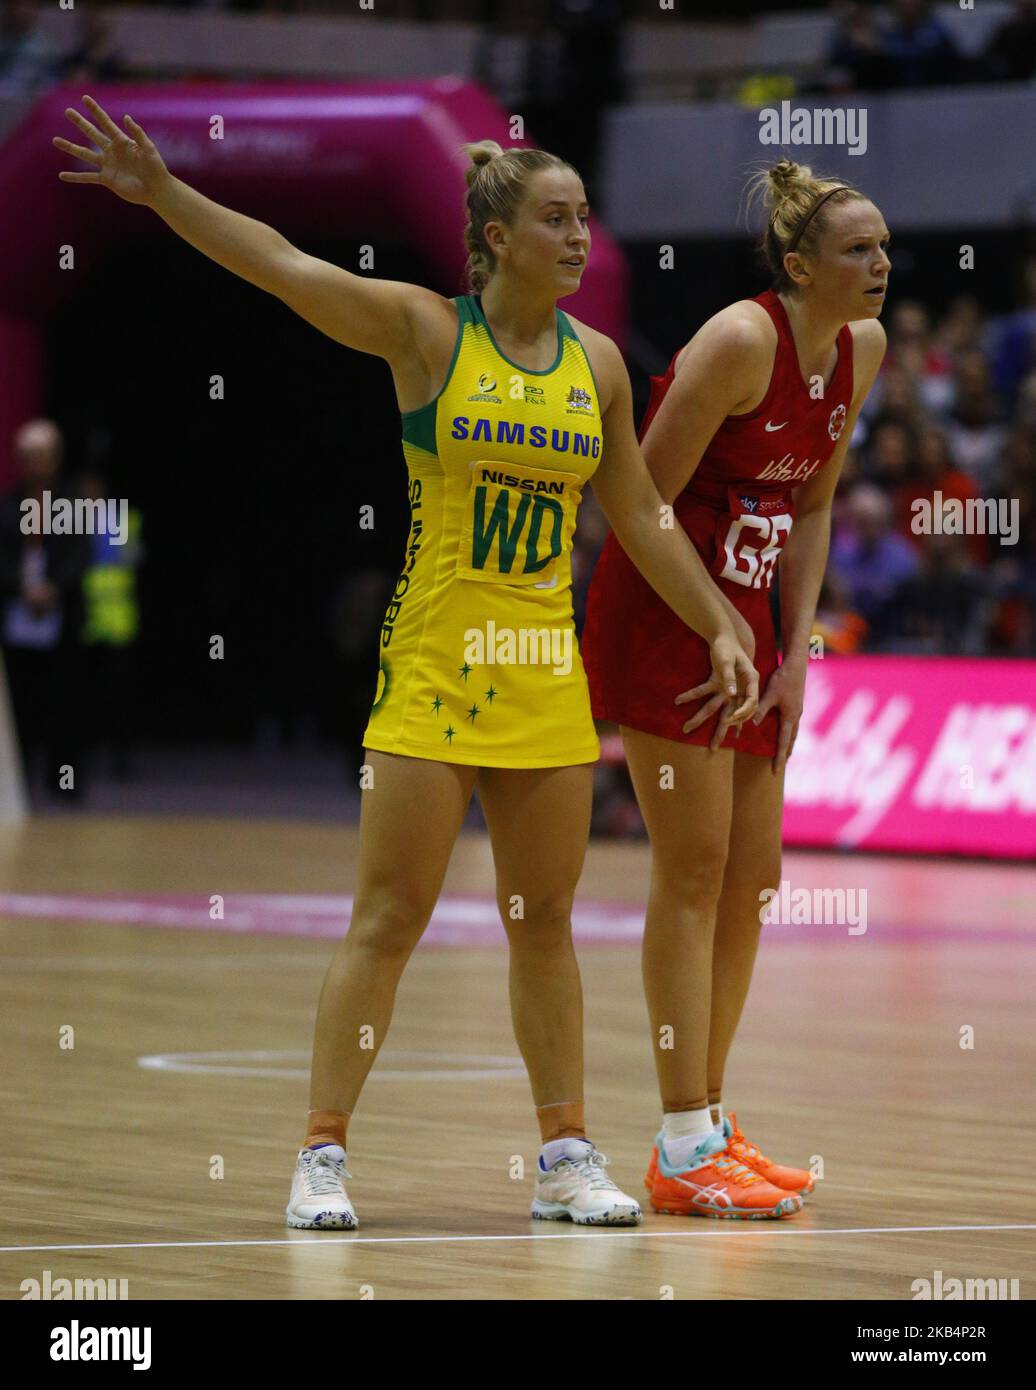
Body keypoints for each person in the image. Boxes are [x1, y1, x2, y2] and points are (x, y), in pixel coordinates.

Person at [53, 96, 757, 1229]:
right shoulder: (429, 332)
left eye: (586, 219)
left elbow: (638, 511)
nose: (580, 238)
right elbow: (283, 266)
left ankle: (565, 1155)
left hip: (543, 670)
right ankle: (321, 1154)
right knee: (388, 916)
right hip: (433, 662)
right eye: (557, 219)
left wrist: (721, 619)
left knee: (545, 923)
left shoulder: (600, 366)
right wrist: (165, 193)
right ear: (494, 239)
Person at [582, 159, 888, 1218]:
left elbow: (809, 511)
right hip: (666, 612)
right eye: (857, 250)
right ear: (799, 266)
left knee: (755, 878)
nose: (881, 263)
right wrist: (714, 624)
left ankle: (704, 1124)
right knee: (696, 869)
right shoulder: (738, 340)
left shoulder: (865, 347)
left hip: (747, 620)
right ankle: (678, 1136)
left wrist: (794, 651)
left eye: (885, 246)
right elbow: (637, 502)